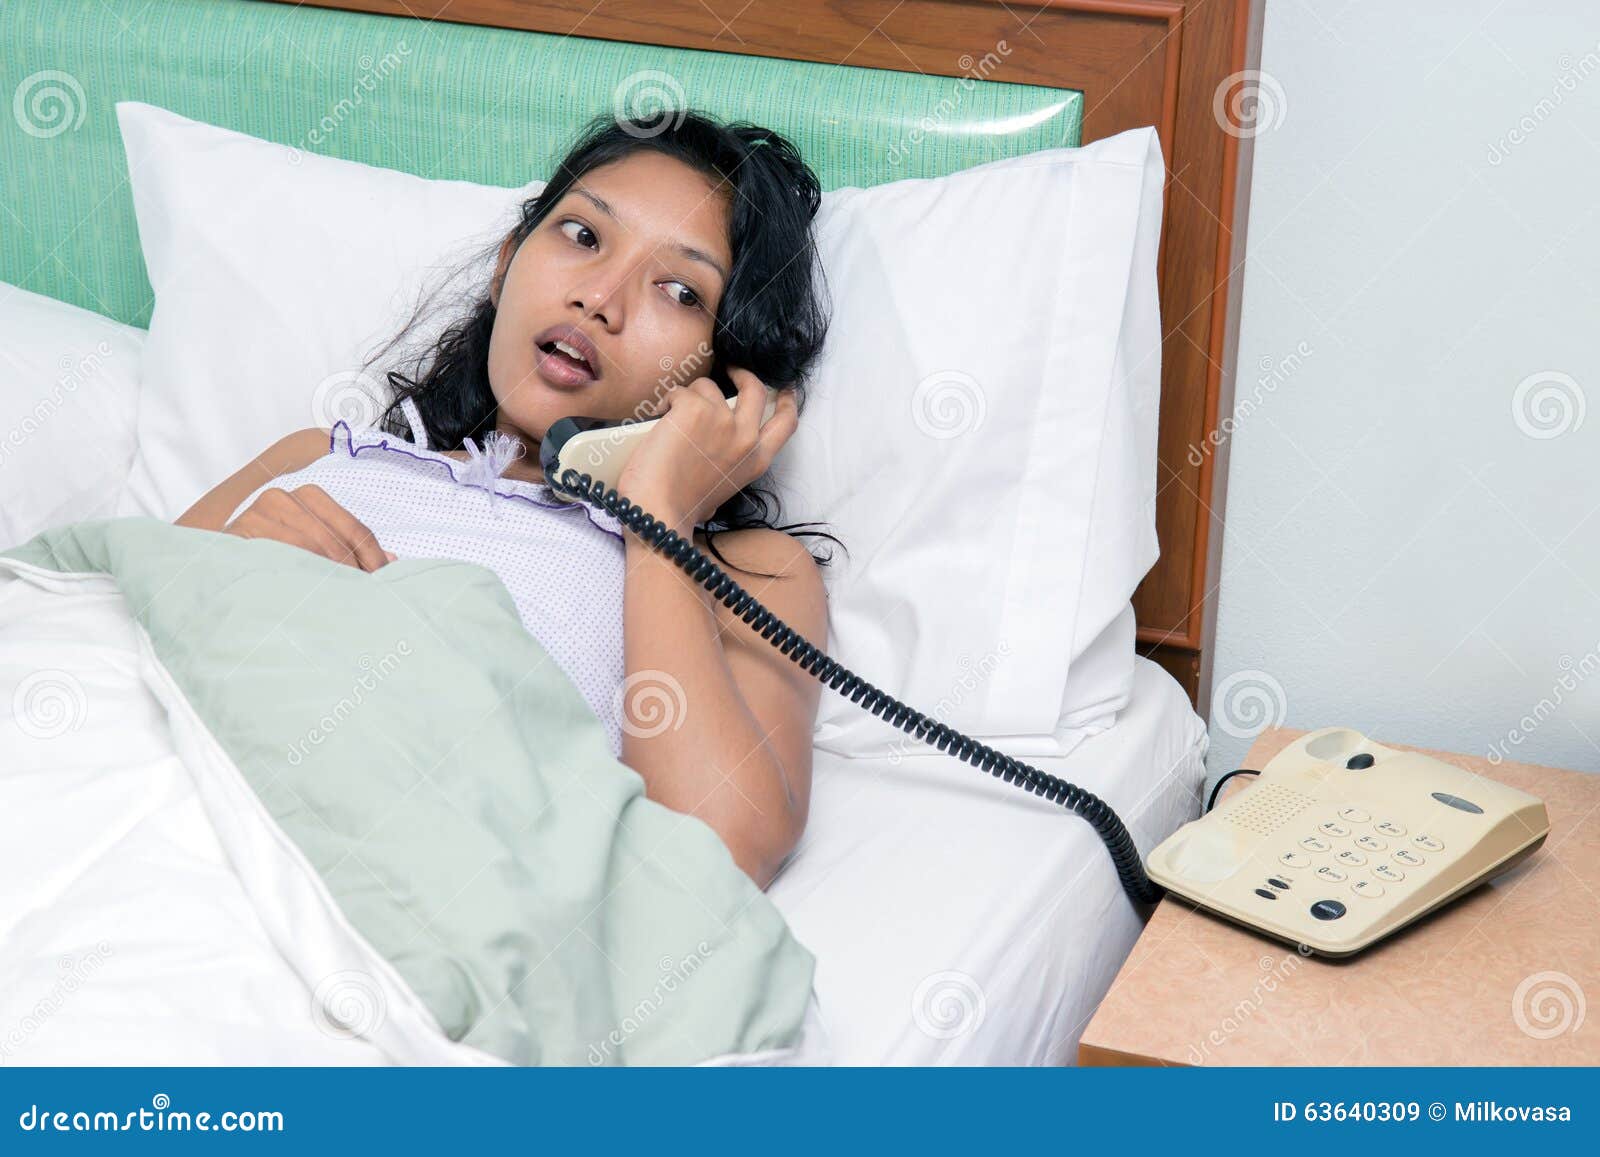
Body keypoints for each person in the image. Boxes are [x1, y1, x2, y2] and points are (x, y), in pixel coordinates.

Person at [175, 110, 843, 889]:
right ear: (505, 265)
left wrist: (659, 513)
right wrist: (222, 570)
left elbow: (713, 855)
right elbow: (90, 619)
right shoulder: (315, 459)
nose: (600, 299)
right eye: (584, 237)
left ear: (727, 378)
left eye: (678, 289)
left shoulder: (746, 576)